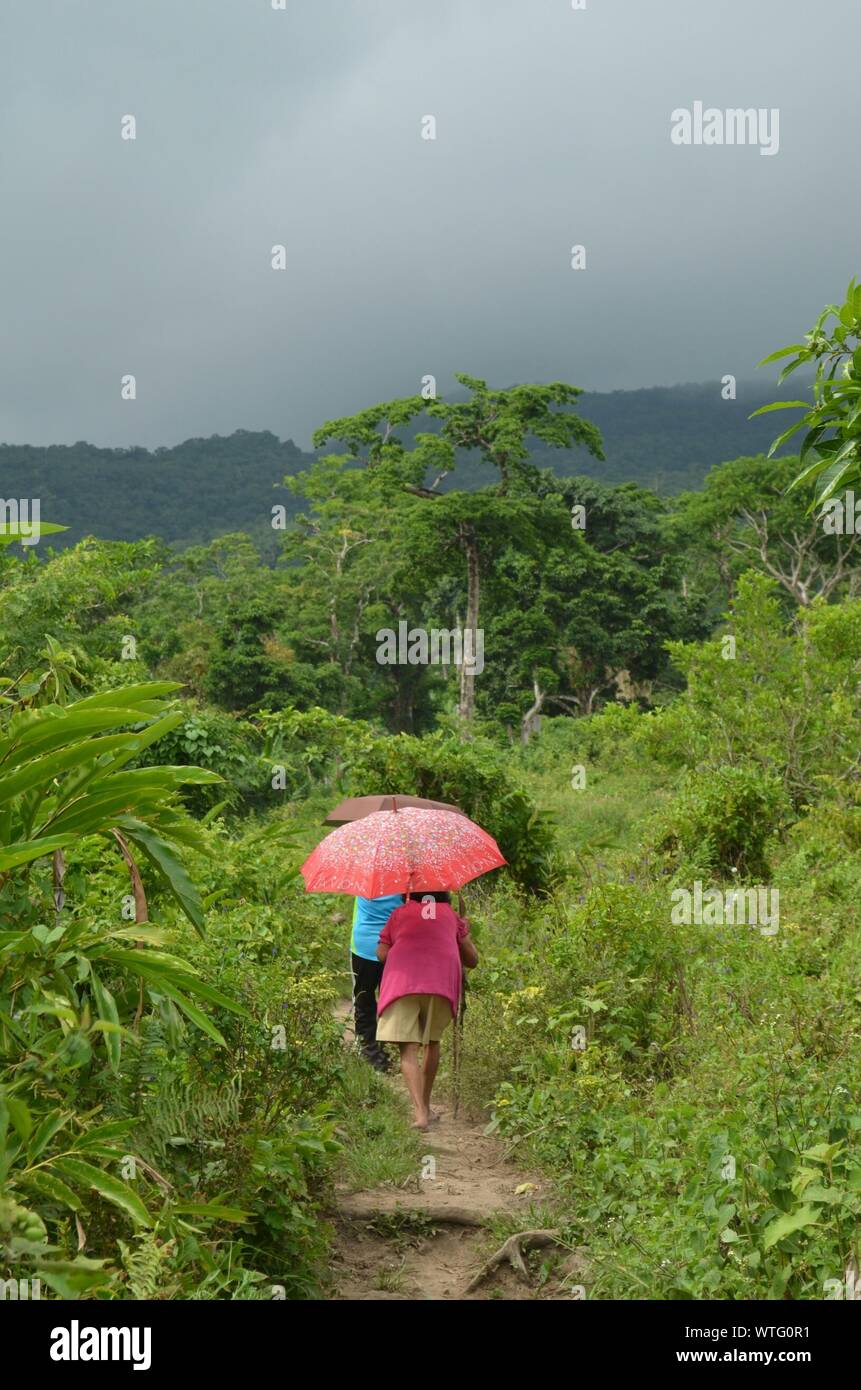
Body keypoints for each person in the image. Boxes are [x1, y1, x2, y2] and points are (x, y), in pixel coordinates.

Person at [375, 891, 479, 1129]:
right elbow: (472, 960)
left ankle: (420, 1113)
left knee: (408, 1049)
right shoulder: (451, 916)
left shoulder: (399, 913)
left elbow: (381, 953)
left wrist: (408, 953)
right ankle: (427, 1106)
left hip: (403, 984)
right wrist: (463, 931)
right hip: (439, 984)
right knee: (431, 1042)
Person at [350, 893, 404, 1072]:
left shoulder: (365, 873)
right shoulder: (404, 877)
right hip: (393, 947)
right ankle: (387, 1055)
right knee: (390, 1003)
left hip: (363, 946)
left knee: (363, 1000)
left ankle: (369, 1054)